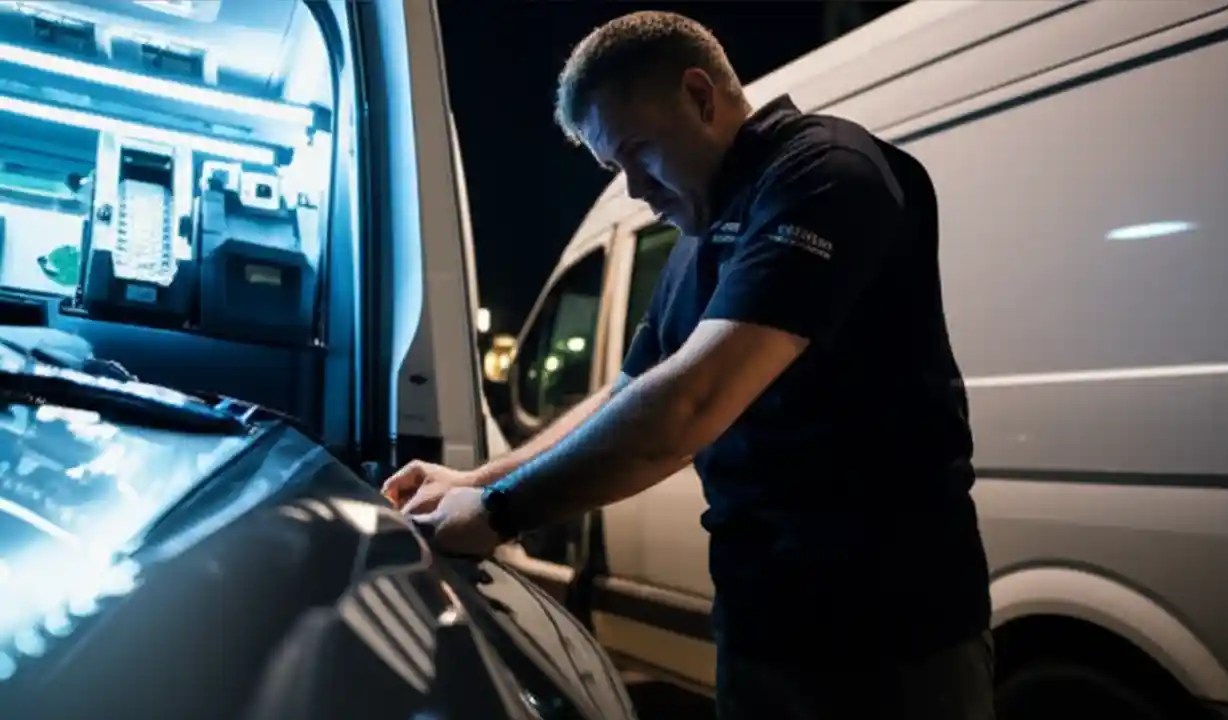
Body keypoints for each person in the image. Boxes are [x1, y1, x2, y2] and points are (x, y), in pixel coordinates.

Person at [383, 10, 994, 720]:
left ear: (702, 96)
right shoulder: (694, 246)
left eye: (638, 152)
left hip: (894, 641)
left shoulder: (825, 176)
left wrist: (498, 513)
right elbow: (630, 398)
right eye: (615, 168)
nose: (636, 191)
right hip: (762, 626)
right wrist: (478, 478)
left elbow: (689, 407)